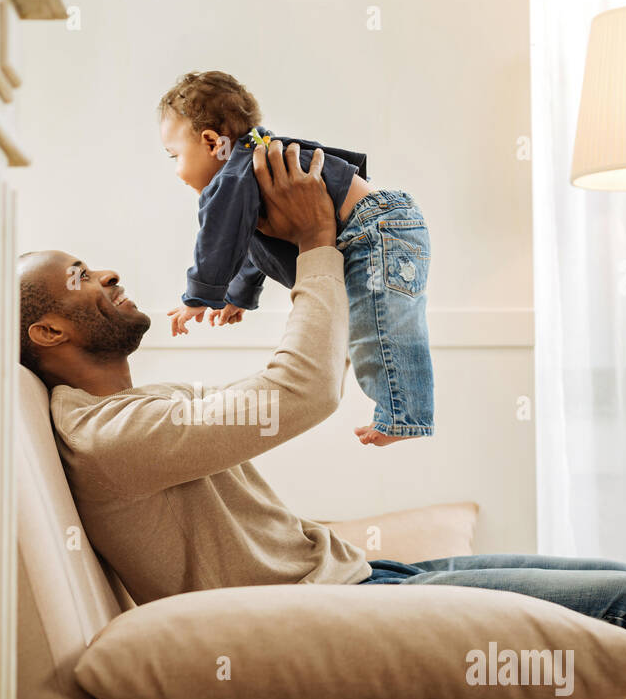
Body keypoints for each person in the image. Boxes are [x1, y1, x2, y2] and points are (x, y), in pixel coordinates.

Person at [18, 138, 626, 699]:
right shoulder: (111, 436)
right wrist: (316, 242)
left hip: (359, 576)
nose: (108, 272)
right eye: (81, 276)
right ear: (49, 328)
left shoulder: (127, 416)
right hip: (341, 607)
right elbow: (295, 394)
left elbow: (274, 393)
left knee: (625, 584)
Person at [159, 70, 433, 446]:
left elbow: (218, 238)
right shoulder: (251, 166)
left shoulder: (234, 176)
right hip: (386, 223)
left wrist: (198, 297)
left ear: (210, 142)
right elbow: (254, 247)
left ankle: (403, 417)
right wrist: (237, 296)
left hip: (373, 229)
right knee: (380, 327)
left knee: (379, 328)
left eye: (174, 156)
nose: (176, 171)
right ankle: (403, 414)